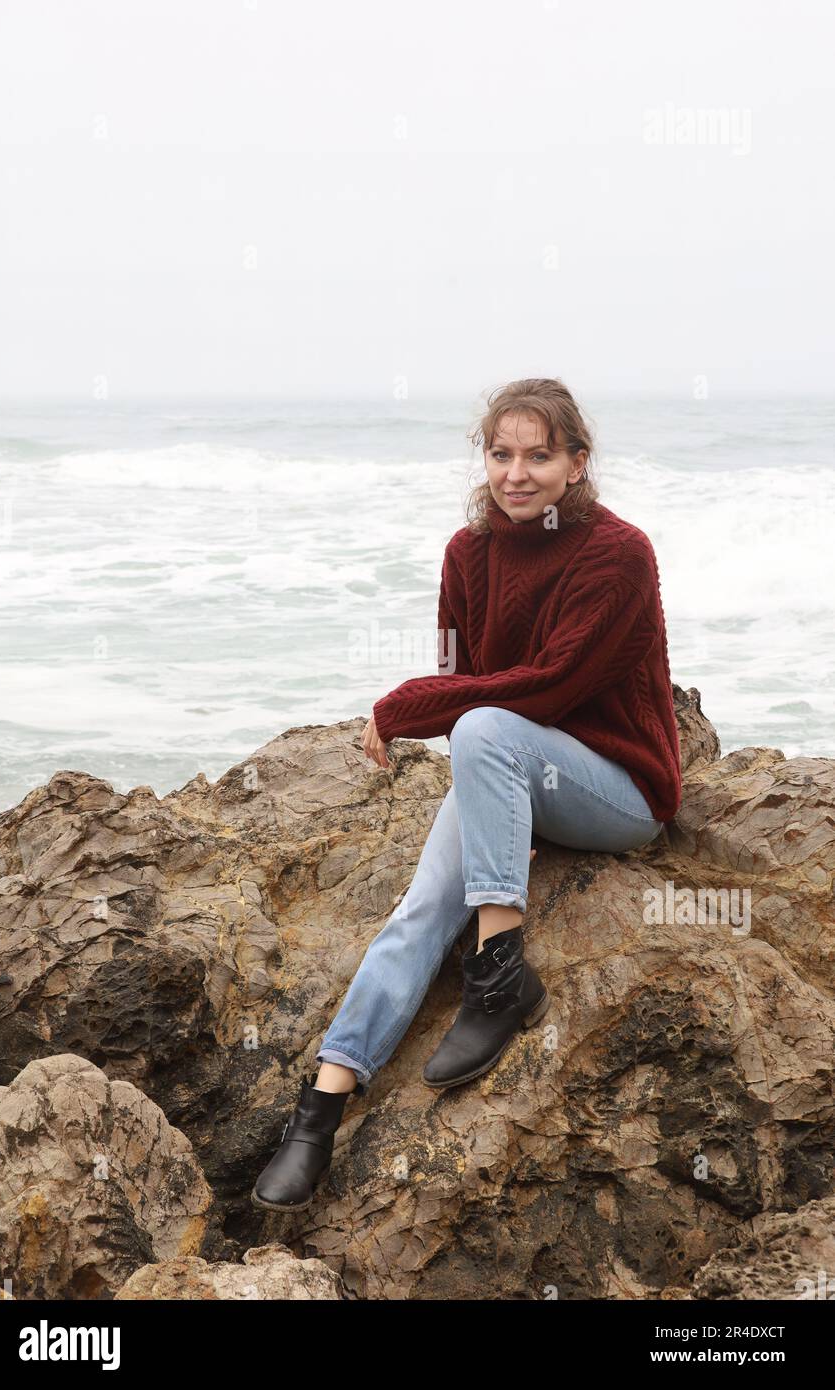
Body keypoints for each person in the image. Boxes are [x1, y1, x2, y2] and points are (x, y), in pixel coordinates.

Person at [251, 377, 682, 1211]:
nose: (516, 474)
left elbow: (544, 689)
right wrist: (502, 808)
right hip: (513, 766)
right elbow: (466, 680)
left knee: (485, 727)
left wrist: (401, 709)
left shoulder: (618, 554)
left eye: (539, 455)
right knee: (418, 909)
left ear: (577, 463)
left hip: (620, 790)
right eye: (501, 454)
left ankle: (498, 976)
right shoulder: (469, 551)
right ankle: (321, 1112)